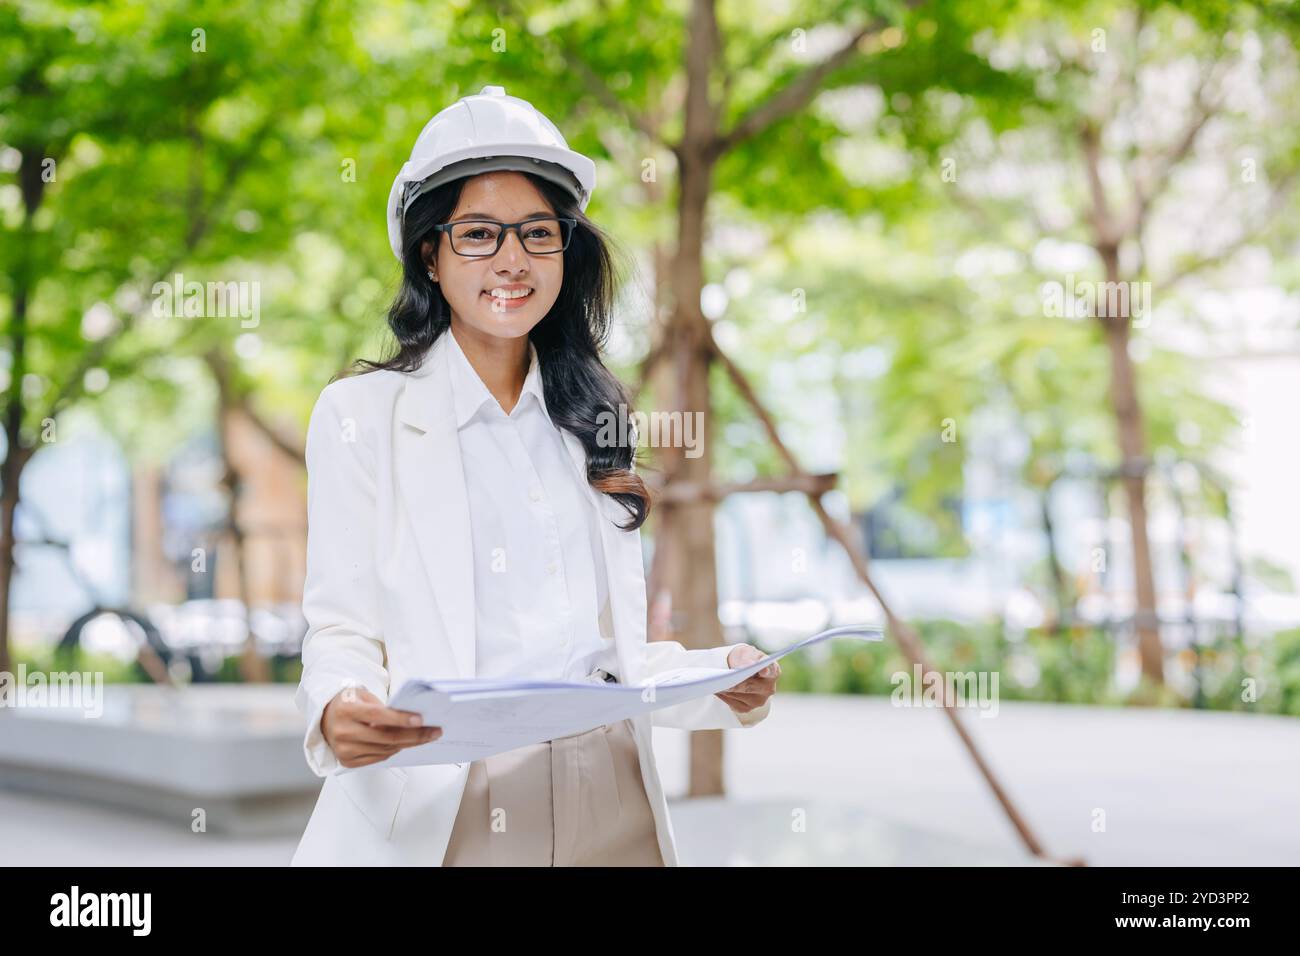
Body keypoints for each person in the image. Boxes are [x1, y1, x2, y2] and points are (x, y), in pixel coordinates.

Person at [290, 86, 778, 867]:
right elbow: (343, 629)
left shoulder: (593, 416)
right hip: (450, 799)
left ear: (565, 250)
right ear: (431, 253)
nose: (512, 260)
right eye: (479, 234)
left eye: (537, 234)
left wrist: (716, 676)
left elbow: (604, 658)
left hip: (616, 794)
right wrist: (337, 708)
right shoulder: (361, 415)